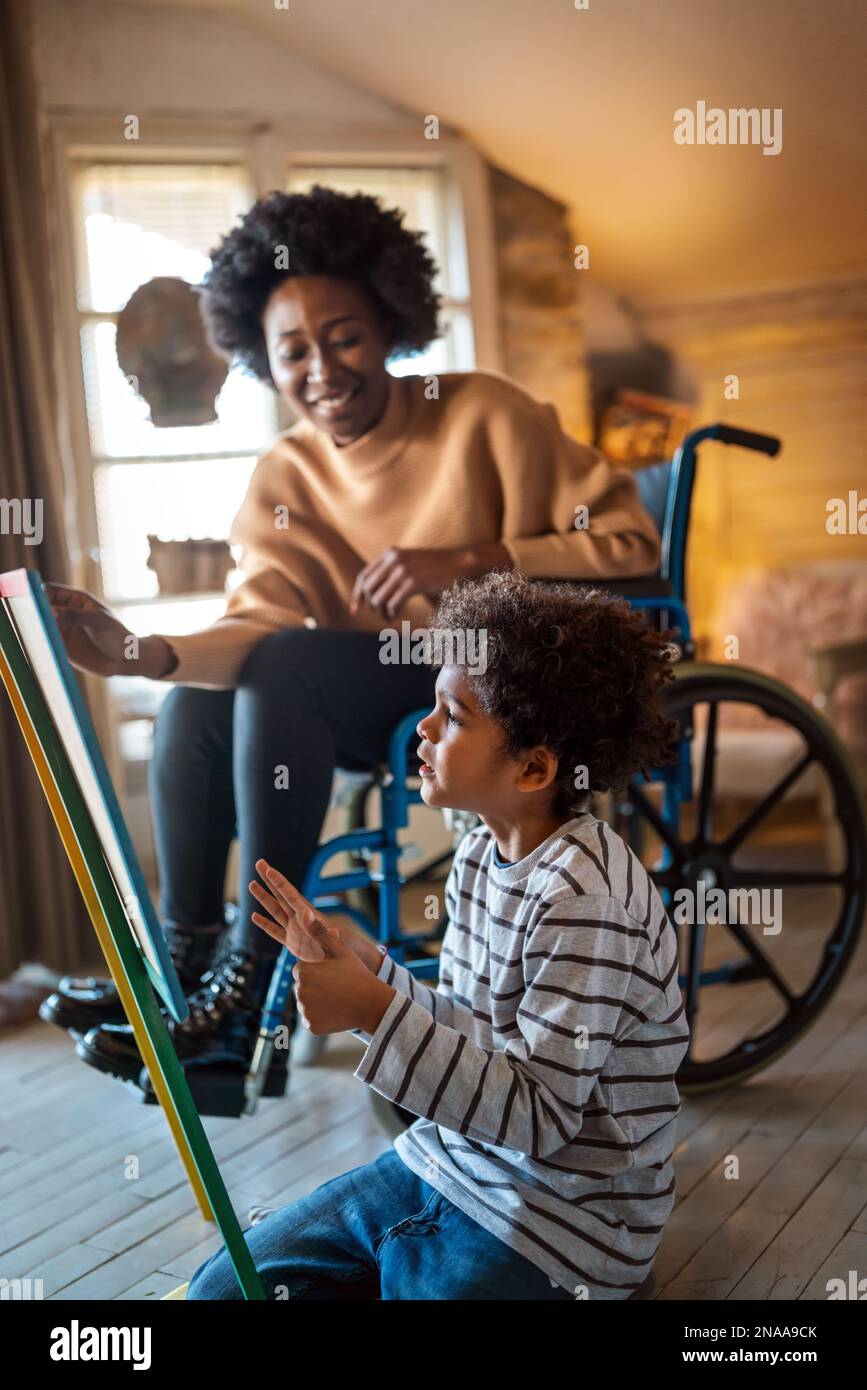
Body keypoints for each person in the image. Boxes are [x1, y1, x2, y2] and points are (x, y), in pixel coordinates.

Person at [42, 185, 661, 1104]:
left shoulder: (484, 413)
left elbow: (629, 544)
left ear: (390, 328)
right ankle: (187, 975)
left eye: (345, 338)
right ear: (263, 360)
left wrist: (472, 560)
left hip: (490, 690)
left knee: (287, 666)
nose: (322, 368)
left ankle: (253, 990)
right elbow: (254, 624)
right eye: (293, 350)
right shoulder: (286, 475)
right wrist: (139, 653)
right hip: (366, 697)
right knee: (201, 698)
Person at [186, 571, 688, 1300]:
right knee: (220, 1290)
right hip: (443, 1164)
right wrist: (376, 978)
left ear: (534, 767)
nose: (422, 728)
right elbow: (474, 1030)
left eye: (452, 716)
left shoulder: (586, 901)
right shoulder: (481, 852)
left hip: (560, 1227)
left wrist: (372, 1010)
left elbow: (540, 1117)